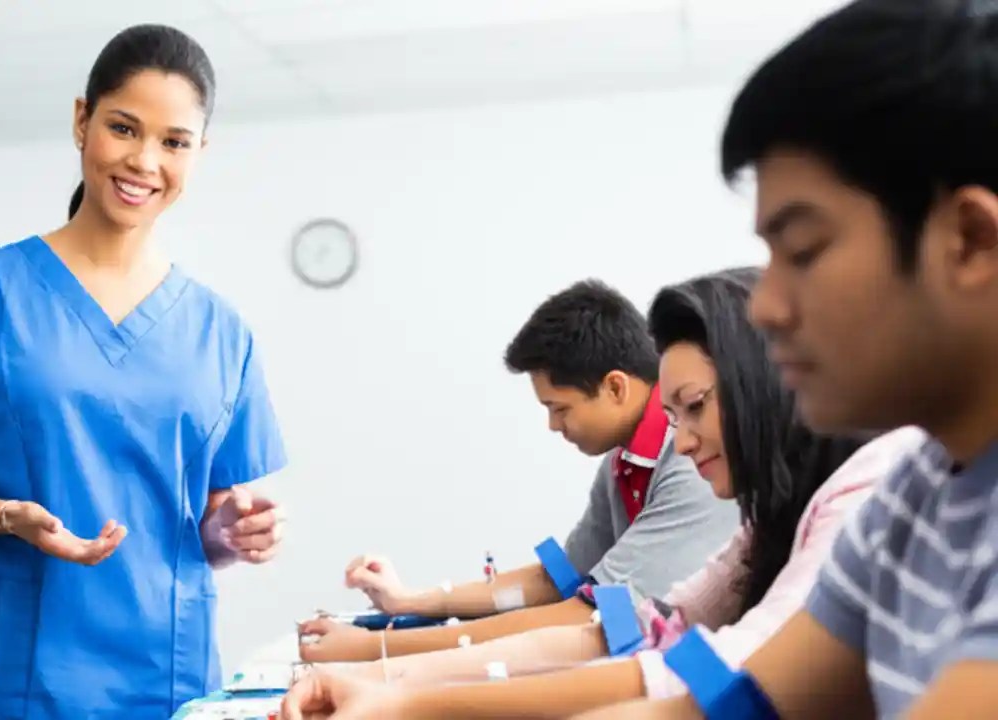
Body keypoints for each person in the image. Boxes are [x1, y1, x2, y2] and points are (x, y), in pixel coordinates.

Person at [0, 25, 288, 719]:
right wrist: (4, 515)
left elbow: (205, 521)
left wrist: (231, 533)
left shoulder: (220, 331)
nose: (145, 160)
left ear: (199, 154)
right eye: (123, 127)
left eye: (174, 141)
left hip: (158, 681)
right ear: (82, 121)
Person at [574, 1, 998, 718]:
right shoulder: (917, 487)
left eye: (802, 250)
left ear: (969, 242)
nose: (766, 309)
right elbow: (730, 704)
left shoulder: (874, 487)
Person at [280, 269, 918, 719]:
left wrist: (393, 672)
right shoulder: (646, 471)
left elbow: (702, 676)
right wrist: (396, 655)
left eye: (694, 408)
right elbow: (610, 617)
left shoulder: (857, 487)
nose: (685, 435)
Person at [299, 280, 740, 662]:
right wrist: (412, 601)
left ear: (615, 387)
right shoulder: (622, 462)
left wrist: (381, 651)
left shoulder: (692, 465)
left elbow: (596, 619)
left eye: (559, 408)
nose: (553, 425)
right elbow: (560, 581)